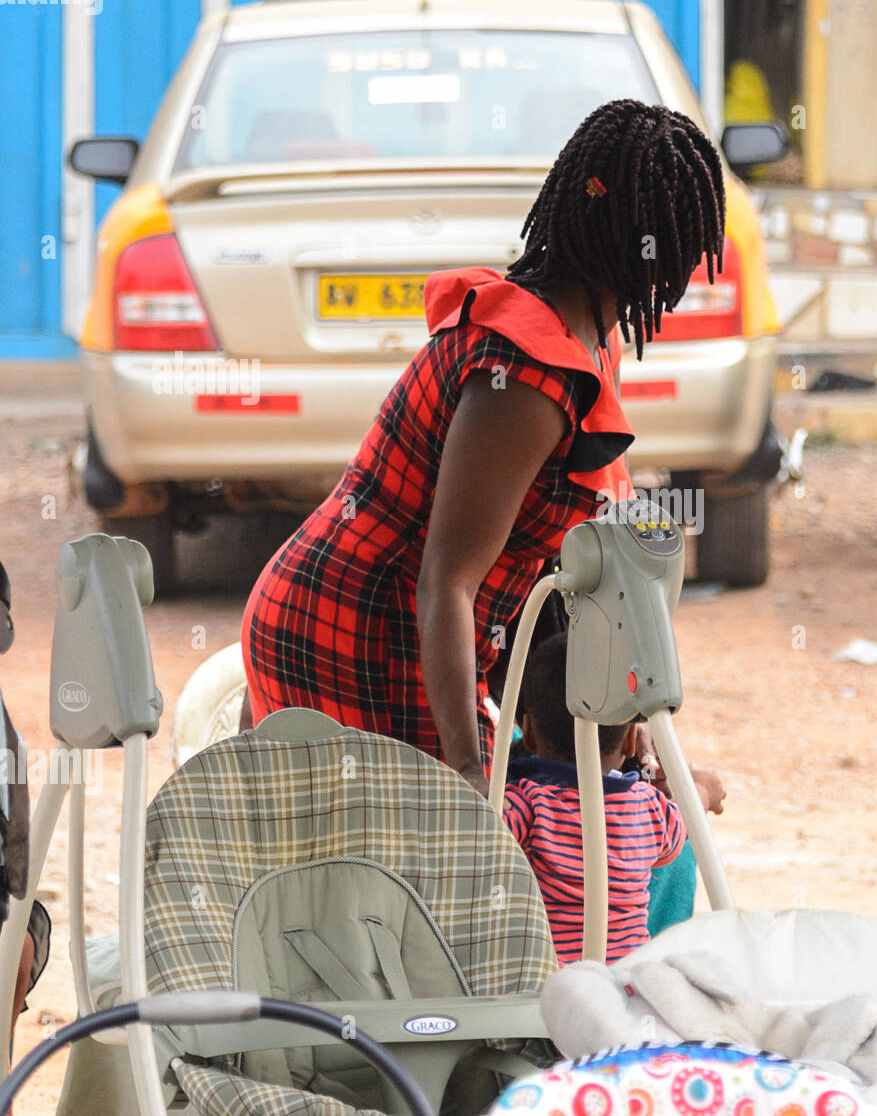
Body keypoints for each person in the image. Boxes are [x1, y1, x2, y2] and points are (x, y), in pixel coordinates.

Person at [240, 100, 726, 798]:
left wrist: (624, 712)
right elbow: (447, 578)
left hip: (416, 633)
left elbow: (563, 560)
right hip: (351, 634)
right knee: (424, 880)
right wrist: (466, 769)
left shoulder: (586, 340)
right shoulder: (526, 378)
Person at [505, 632, 720, 963]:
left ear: (529, 732)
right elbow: (686, 817)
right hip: (622, 986)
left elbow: (478, 836)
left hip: (546, 988)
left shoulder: (525, 804)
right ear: (630, 741)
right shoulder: (648, 807)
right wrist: (703, 786)